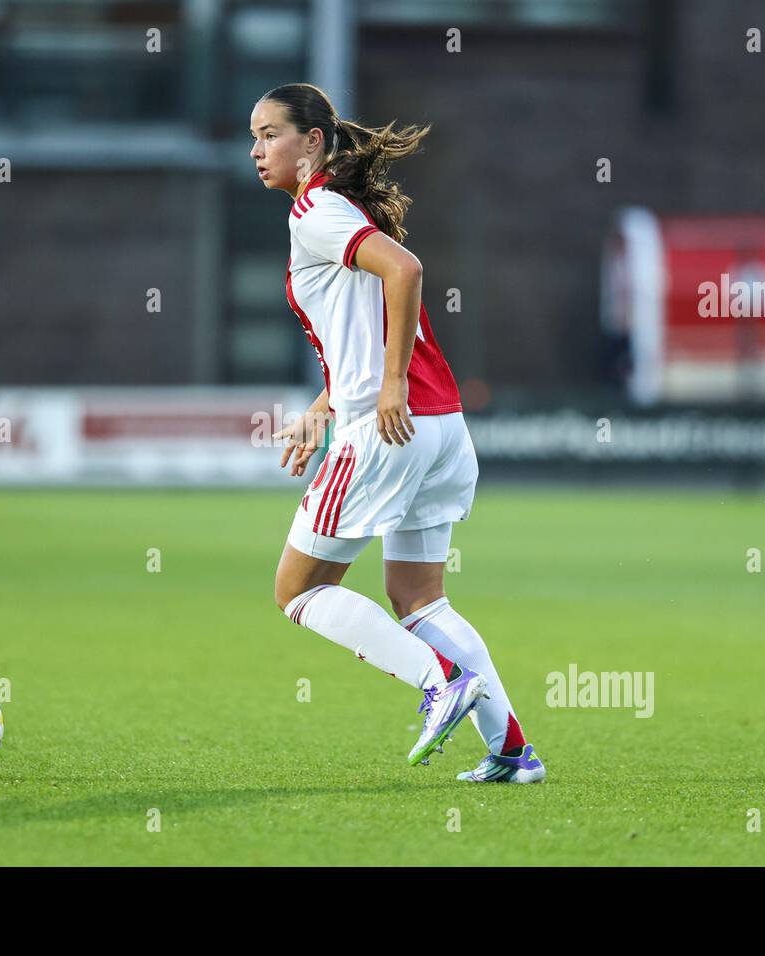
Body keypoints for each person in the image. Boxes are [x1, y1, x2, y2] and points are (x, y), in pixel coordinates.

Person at [253, 82, 544, 782]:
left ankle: (437, 682)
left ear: (313, 142)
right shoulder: (337, 210)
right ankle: (512, 751)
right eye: (254, 137)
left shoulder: (315, 209)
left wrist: (385, 389)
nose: (257, 150)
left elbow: (406, 270)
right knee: (420, 599)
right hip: (439, 427)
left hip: (388, 429)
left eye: (270, 134)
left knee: (296, 591)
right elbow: (362, 322)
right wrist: (327, 403)